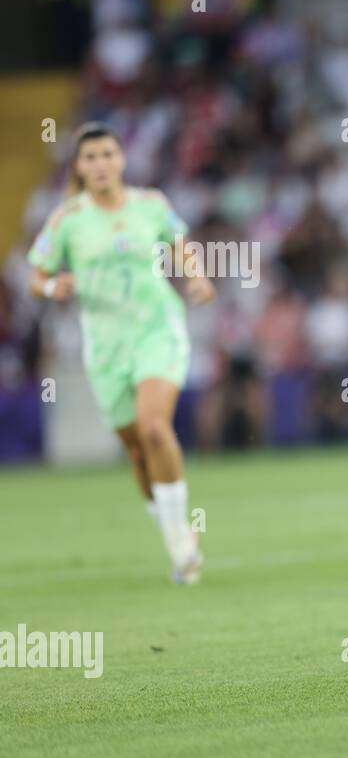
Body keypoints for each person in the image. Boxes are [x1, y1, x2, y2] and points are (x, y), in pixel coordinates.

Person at [28, 122, 215, 582]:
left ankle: (180, 543)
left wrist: (195, 276)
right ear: (78, 166)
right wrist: (52, 287)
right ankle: (176, 533)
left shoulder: (151, 204)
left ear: (122, 159)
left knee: (154, 428)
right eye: (90, 157)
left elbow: (179, 245)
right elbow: (36, 275)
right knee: (136, 450)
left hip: (156, 329)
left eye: (108, 154)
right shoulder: (67, 219)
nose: (100, 164)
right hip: (105, 347)